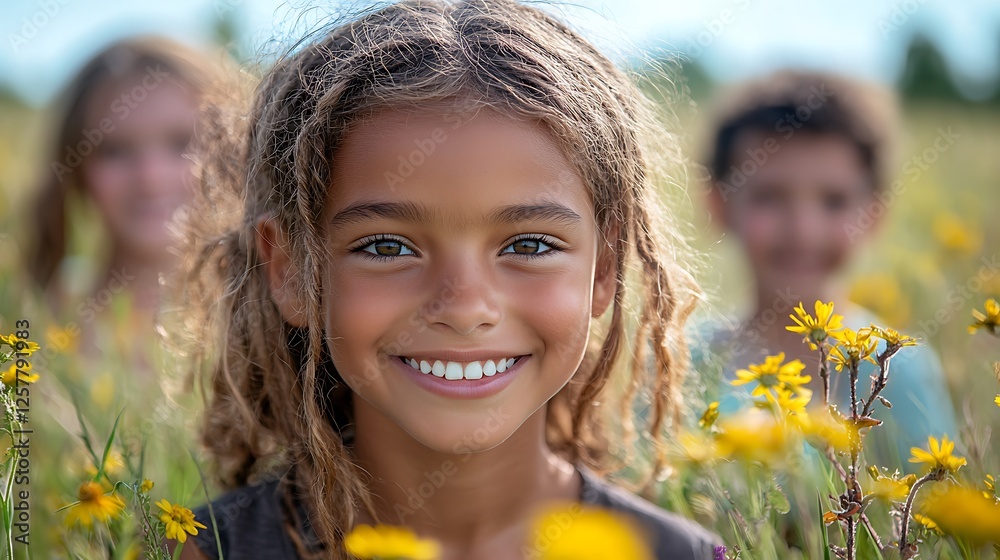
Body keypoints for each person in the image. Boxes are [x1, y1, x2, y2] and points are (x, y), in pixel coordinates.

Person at [171, 1, 723, 558]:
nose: (463, 307)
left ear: (604, 265)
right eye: (387, 247)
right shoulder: (205, 551)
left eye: (528, 245)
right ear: (290, 271)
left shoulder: (677, 553)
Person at [687, 69, 961, 470]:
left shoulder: (900, 370)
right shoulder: (682, 361)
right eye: (769, 197)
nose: (803, 231)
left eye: (833, 201)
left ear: (875, 215)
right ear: (718, 205)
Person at [26, 36, 217, 377]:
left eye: (182, 142)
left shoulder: (276, 310)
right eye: (114, 150)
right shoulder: (31, 322)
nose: (151, 178)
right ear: (74, 168)